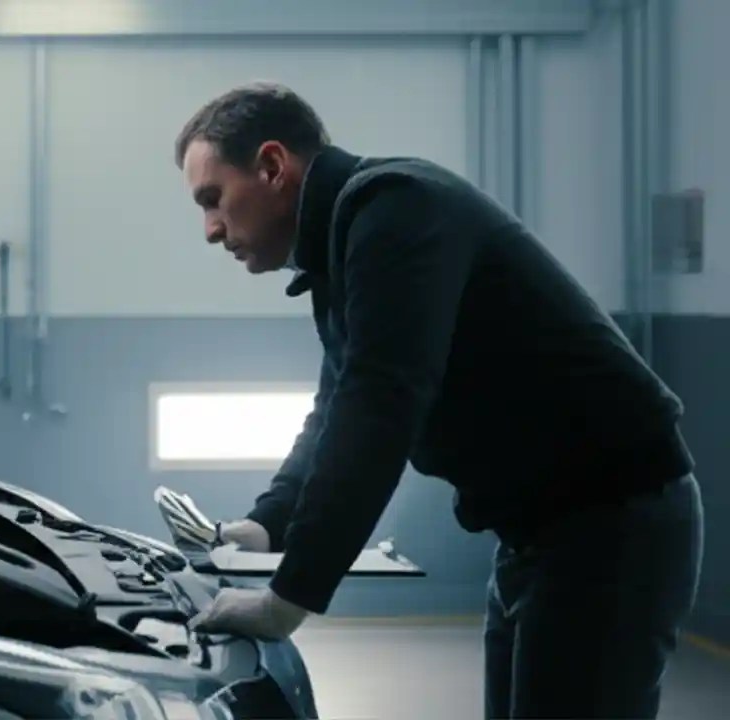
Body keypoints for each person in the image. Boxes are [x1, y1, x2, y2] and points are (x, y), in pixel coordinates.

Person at [172, 81, 705, 719]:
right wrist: (263, 527)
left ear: (271, 165)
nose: (209, 230)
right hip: (540, 535)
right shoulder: (345, 245)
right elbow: (337, 408)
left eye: (213, 199)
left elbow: (380, 408)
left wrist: (290, 598)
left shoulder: (396, 208)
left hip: (613, 526)